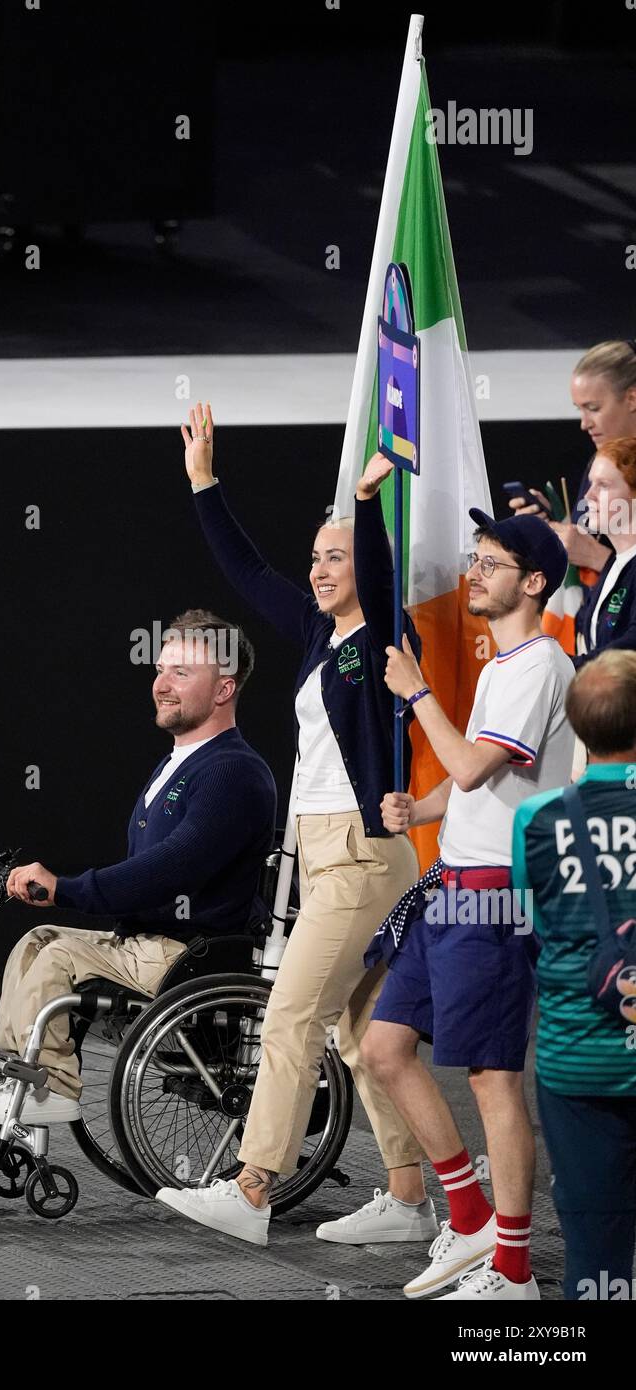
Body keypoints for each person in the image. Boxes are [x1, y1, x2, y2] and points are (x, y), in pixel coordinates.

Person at [157, 402, 432, 1250]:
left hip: (361, 852)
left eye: (335, 557)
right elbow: (245, 571)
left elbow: (382, 579)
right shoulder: (320, 634)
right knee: (362, 1036)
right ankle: (415, 1197)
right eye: (315, 556)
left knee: (288, 1019)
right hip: (322, 855)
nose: (318, 570)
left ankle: (252, 1188)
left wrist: (373, 506)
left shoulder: (379, 636)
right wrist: (206, 482)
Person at [0, 609, 277, 1126]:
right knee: (35, 943)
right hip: (147, 942)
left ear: (223, 689)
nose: (162, 685)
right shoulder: (179, 764)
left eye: (181, 673)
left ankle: (49, 1088)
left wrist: (68, 889)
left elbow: (170, 869)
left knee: (57, 959)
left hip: (191, 953)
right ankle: (11, 1077)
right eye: (160, 670)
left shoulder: (234, 772)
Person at [361, 508, 574, 1300]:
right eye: (476, 558)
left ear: (535, 582)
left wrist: (417, 694)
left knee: (492, 1080)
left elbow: (477, 768)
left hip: (494, 896)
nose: (475, 573)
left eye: (493, 563)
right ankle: (473, 1214)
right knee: (384, 1049)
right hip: (451, 883)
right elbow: (470, 771)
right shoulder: (499, 667)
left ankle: (514, 1271)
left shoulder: (543, 666)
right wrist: (419, 811)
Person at [513, 650, 636, 1301]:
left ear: (579, 728)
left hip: (574, 1061)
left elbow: (533, 921)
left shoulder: (536, 820)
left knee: (594, 1249)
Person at [510, 339, 636, 575]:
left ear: (632, 399)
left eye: (594, 408)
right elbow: (589, 534)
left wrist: (597, 558)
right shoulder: (601, 463)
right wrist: (554, 520)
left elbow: (600, 553)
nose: (584, 423)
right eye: (580, 409)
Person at [573, 436, 636, 666]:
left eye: (604, 485)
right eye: (591, 483)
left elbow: (631, 645)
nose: (588, 495)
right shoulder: (616, 564)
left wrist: (563, 668)